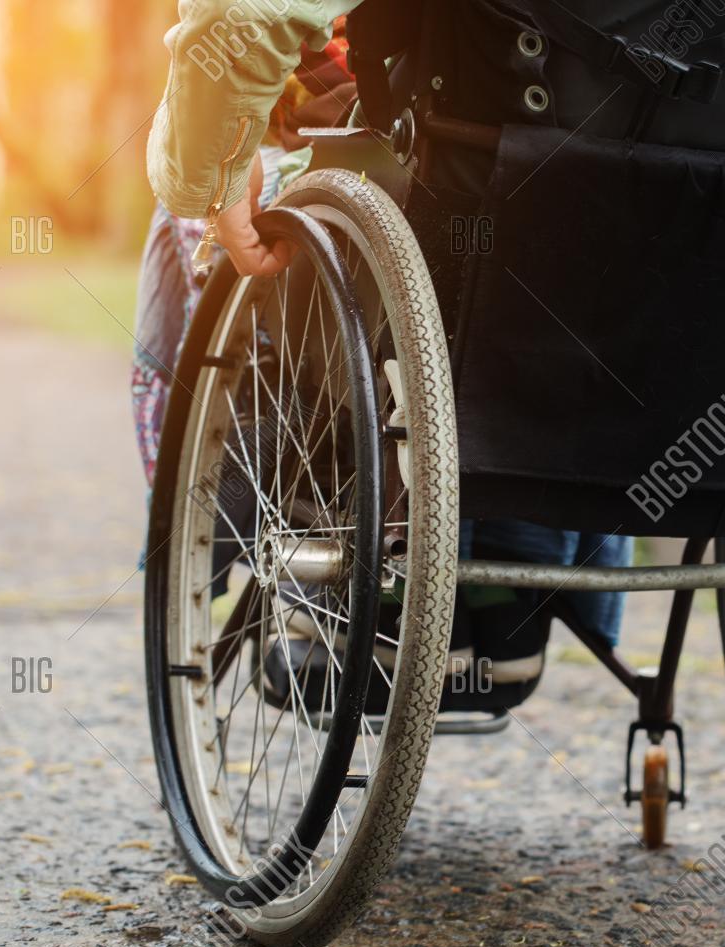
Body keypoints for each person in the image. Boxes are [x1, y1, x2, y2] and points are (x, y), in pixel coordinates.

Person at [140, 1, 632, 707]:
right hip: (675, 225)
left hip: (444, 198)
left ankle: (340, 571)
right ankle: (514, 570)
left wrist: (209, 170)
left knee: (199, 226)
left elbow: (254, 13)